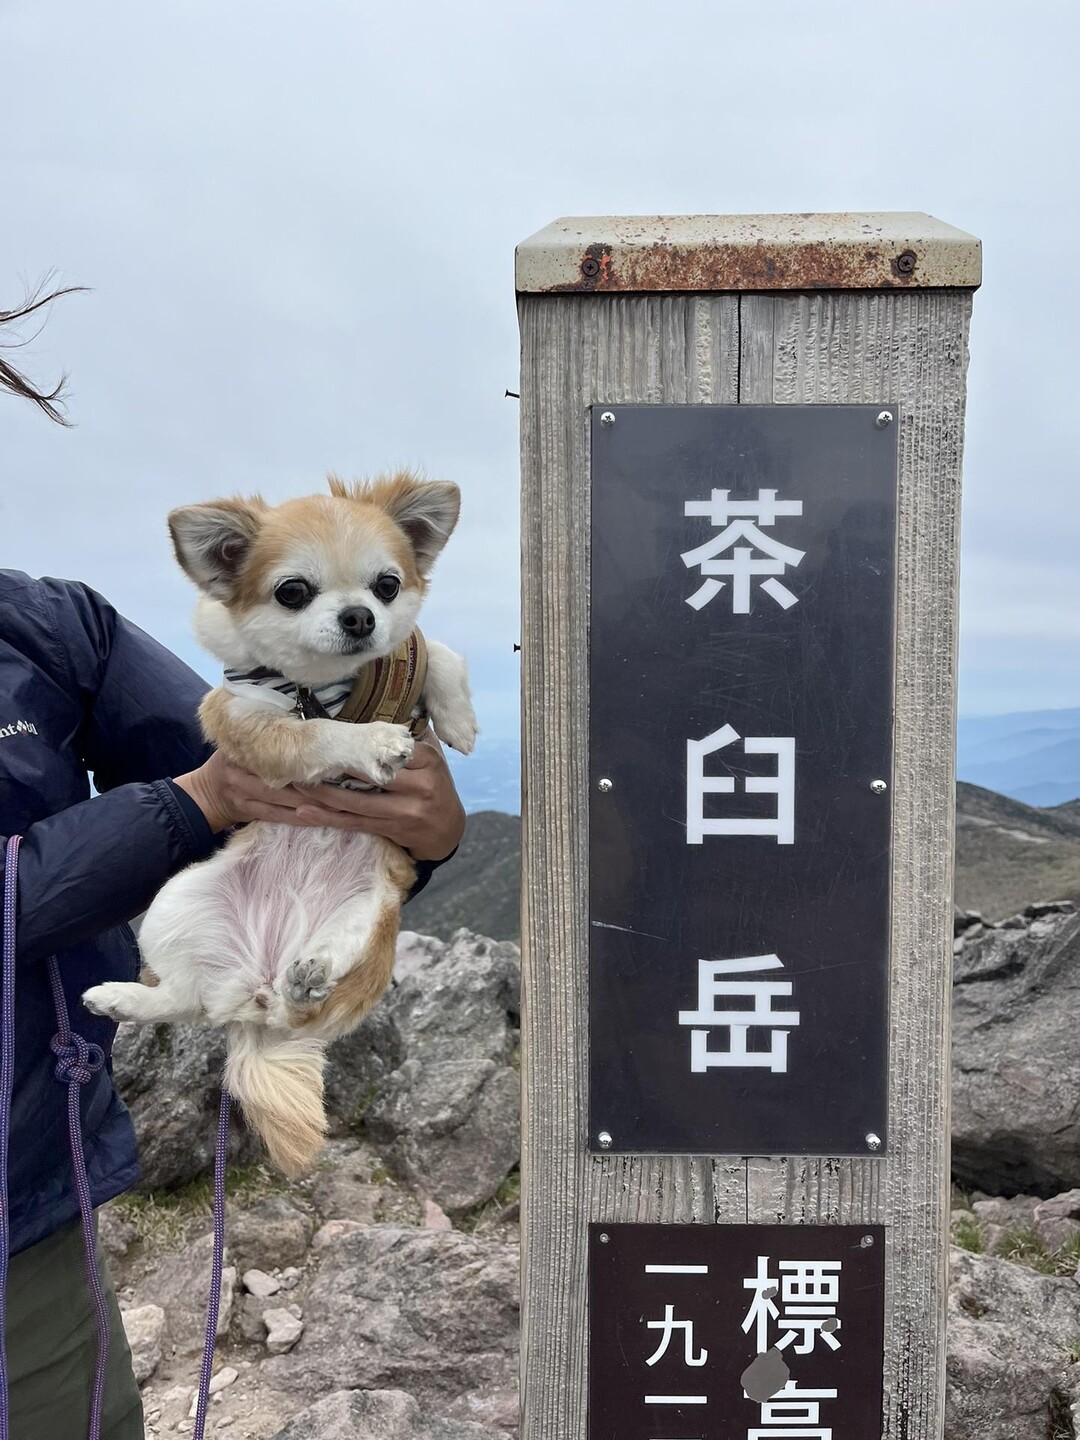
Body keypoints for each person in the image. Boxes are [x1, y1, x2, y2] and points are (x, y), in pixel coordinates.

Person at [0, 286, 466, 1439]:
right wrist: (196, 802)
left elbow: (271, 752)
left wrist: (423, 818)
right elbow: (220, 781)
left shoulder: (48, 631)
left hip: (22, 1203)